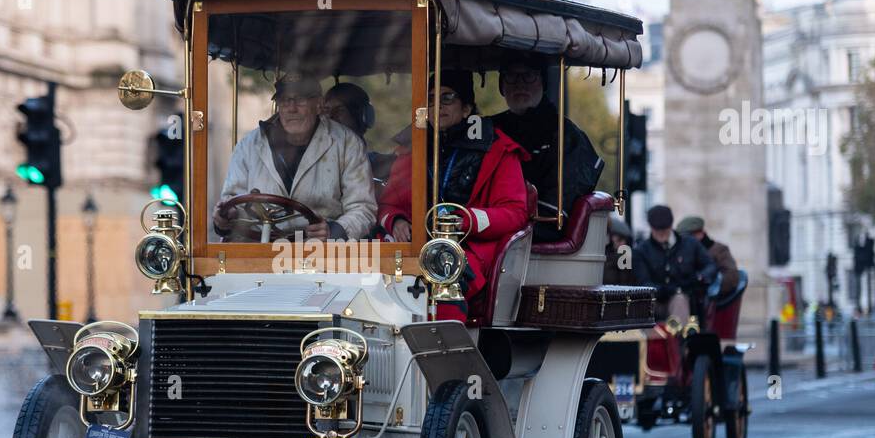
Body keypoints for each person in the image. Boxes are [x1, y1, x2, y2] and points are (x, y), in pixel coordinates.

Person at [378, 69, 527, 319]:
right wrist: (397, 221)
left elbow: (515, 212)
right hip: (416, 245)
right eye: (431, 98)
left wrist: (465, 220)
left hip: (469, 248)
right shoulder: (411, 151)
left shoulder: (497, 149)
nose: (438, 106)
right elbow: (387, 205)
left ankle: (445, 354)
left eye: (447, 98)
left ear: (467, 108)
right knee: (369, 274)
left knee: (444, 279)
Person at [212, 73, 375, 241]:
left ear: (319, 105)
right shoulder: (249, 145)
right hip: (258, 252)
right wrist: (225, 217)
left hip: (320, 254)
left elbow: (363, 207)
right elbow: (232, 201)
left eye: (300, 100)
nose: (291, 108)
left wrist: (335, 231)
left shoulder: (347, 143)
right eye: (285, 101)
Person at [489, 50, 604, 241]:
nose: (519, 83)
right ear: (502, 85)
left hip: (535, 231)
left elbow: (555, 210)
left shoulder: (567, 136)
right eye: (511, 77)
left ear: (544, 82)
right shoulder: (489, 128)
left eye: (529, 76)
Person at [632, 204, 717, 323]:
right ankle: (649, 341)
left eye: (664, 229)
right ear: (651, 227)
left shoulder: (690, 244)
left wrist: (699, 277)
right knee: (643, 307)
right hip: (655, 301)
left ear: (671, 226)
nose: (661, 233)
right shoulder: (641, 251)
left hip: (685, 299)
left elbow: (710, 266)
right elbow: (643, 281)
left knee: (679, 300)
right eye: (657, 230)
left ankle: (679, 339)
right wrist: (662, 290)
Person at [676, 215, 740, 297]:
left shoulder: (719, 250)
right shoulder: (680, 252)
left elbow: (731, 277)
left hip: (712, 300)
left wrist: (707, 283)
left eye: (689, 236)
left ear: (700, 234)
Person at [603, 216, 635, 285]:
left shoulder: (626, 257)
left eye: (620, 239)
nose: (616, 241)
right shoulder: (607, 254)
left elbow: (626, 282)